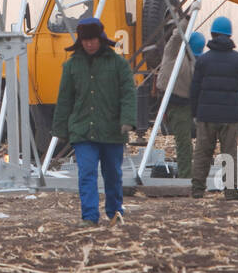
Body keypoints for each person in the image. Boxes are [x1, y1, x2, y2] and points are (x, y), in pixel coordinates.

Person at [52, 16, 136, 225]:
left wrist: (127, 119)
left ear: (101, 38)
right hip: (82, 131)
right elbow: (64, 99)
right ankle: (89, 216)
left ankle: (115, 213)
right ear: (80, 41)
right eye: (85, 40)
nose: (89, 44)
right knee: (87, 173)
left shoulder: (118, 64)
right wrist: (60, 129)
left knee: (113, 175)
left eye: (92, 39)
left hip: (112, 130)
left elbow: (128, 93)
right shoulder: (71, 66)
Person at [189, 16, 238, 200]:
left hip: (206, 114)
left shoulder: (203, 60)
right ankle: (231, 191)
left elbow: (194, 89)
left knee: (203, 151)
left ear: (212, 34)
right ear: (230, 35)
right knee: (229, 153)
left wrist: (195, 112)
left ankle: (197, 190)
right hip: (229, 115)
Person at [156, 20, 205, 179]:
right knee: (184, 142)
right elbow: (177, 36)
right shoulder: (173, 53)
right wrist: (187, 19)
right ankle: (185, 176)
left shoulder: (196, 63)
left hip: (187, 104)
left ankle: (194, 171)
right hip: (172, 103)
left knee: (195, 141)